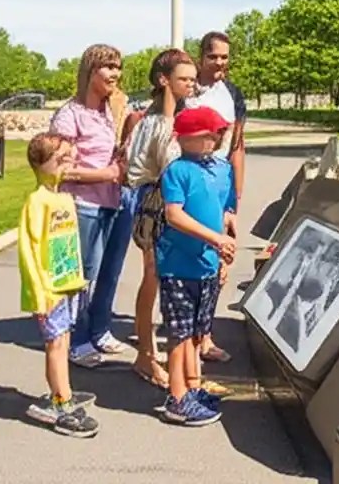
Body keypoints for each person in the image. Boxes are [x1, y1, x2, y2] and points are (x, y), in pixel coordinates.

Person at [49, 44, 132, 368]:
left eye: (118, 67)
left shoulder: (109, 112)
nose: (115, 74)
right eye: (108, 67)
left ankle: (100, 330)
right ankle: (77, 339)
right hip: (82, 205)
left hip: (113, 201)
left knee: (109, 273)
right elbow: (60, 169)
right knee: (81, 277)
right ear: (90, 71)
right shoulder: (70, 115)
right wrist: (105, 173)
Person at [155, 106, 237, 426]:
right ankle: (176, 398)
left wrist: (226, 239)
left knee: (198, 332)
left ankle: (192, 386)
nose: (214, 140)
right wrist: (215, 239)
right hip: (178, 266)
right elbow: (174, 215)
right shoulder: (177, 171)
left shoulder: (221, 169)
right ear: (185, 138)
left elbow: (224, 206)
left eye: (216, 135)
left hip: (207, 265)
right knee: (179, 334)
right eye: (206, 135)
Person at [16, 132, 100, 438]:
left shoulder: (64, 198)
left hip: (69, 285)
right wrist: (41, 292)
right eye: (61, 158)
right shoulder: (36, 202)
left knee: (64, 341)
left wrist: (78, 278)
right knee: (55, 343)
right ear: (40, 163)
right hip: (50, 289)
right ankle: (62, 402)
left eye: (70, 156)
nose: (69, 162)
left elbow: (70, 244)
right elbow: (29, 249)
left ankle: (61, 391)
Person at [124, 48, 197, 388]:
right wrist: (170, 112)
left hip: (177, 202)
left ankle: (179, 356)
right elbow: (168, 164)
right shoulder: (153, 123)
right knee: (154, 276)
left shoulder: (183, 116)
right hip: (155, 202)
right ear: (163, 80)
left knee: (175, 279)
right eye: (184, 79)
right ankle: (146, 355)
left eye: (193, 80)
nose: (191, 86)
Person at [183, 31, 248, 364]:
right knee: (191, 261)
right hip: (190, 181)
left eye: (225, 57)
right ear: (202, 57)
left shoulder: (233, 95)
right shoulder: (189, 92)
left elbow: (237, 146)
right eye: (214, 57)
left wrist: (234, 197)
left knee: (220, 261)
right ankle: (184, 337)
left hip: (220, 180)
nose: (220, 63)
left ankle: (204, 335)